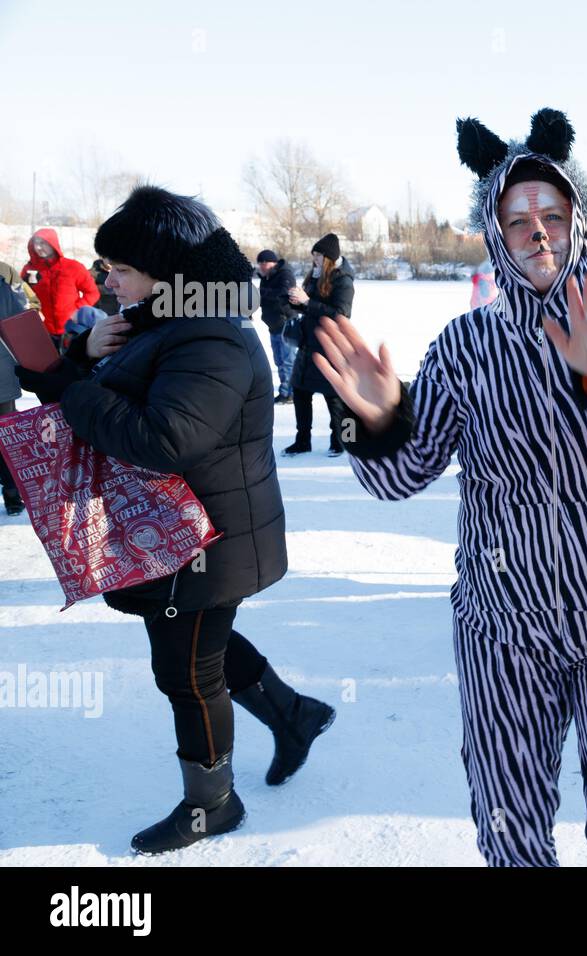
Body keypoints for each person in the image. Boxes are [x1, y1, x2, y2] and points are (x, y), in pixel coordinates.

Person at [316, 108, 587, 866]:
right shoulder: (467, 344)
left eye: (552, 215)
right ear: (495, 239)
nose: (538, 232)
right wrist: (380, 424)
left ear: (578, 224)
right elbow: (403, 477)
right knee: (508, 821)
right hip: (505, 623)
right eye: (517, 221)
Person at [13, 186, 334, 854]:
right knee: (199, 650)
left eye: (121, 269)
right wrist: (83, 357)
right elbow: (94, 396)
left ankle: (210, 804)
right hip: (177, 534)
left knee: (187, 672)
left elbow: (162, 439)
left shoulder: (209, 337)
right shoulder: (157, 323)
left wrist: (78, 382)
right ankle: (294, 715)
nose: (107, 281)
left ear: (170, 276)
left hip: (206, 540)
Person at [284, 233, 354, 457]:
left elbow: (341, 314)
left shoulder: (343, 280)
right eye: (313, 255)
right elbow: (310, 307)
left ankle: (340, 442)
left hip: (330, 346)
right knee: (300, 392)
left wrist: (308, 302)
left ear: (330, 258)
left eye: (319, 256)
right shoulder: (315, 276)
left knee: (334, 397)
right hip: (308, 344)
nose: (315, 260)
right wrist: (295, 301)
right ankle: (302, 441)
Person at [21, 228, 99, 351]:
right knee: (47, 365)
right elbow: (22, 295)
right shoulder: (29, 269)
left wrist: (77, 310)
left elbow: (92, 292)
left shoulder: (73, 267)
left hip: (70, 329)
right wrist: (32, 311)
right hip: (42, 330)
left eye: (43, 243)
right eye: (36, 243)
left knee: (70, 364)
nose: (39, 247)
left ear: (53, 244)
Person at [0, 264, 28, 515]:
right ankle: (12, 495)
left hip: (1, 377)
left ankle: (12, 494)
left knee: (5, 436)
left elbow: (19, 325)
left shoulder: (2, 280)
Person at [256, 250, 298, 403]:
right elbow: (262, 298)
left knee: (288, 361)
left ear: (273, 263)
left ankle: (289, 393)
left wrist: (263, 294)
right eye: (260, 263)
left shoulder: (285, 274)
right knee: (279, 361)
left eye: (264, 263)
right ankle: (285, 390)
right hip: (273, 324)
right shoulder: (265, 278)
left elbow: (284, 293)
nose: (261, 266)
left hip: (286, 323)